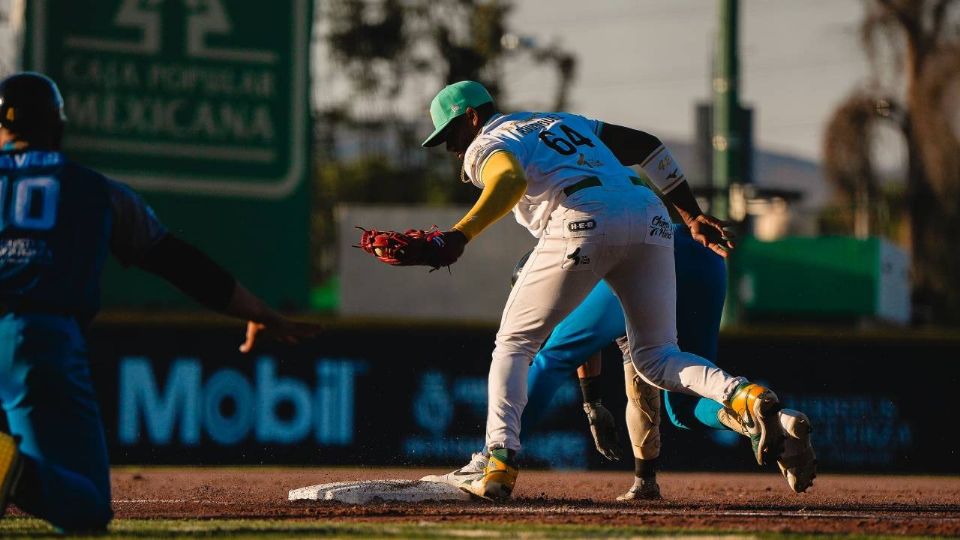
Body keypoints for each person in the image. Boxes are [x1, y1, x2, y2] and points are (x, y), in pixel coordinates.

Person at [410, 80, 788, 501]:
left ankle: (497, 461)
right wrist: (691, 214)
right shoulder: (559, 121)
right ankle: (743, 394)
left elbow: (509, 178)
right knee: (657, 356)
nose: (451, 148)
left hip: (582, 214)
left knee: (514, 343)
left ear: (471, 117)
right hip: (648, 214)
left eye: (450, 134)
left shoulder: (488, 141)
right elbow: (646, 146)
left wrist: (460, 234)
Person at [0, 72, 318, 532]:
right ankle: (8, 469)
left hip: (30, 336)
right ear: (57, 125)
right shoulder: (96, 190)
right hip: (35, 339)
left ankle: (9, 469)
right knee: (85, 509)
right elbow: (178, 263)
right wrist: (259, 311)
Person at [423, 228, 816, 499]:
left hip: (652, 253)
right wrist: (597, 409)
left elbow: (565, 356)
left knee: (552, 358)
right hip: (700, 257)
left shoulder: (579, 269)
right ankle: (770, 416)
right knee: (681, 405)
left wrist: (591, 407)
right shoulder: (597, 274)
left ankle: (493, 459)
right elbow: (634, 386)